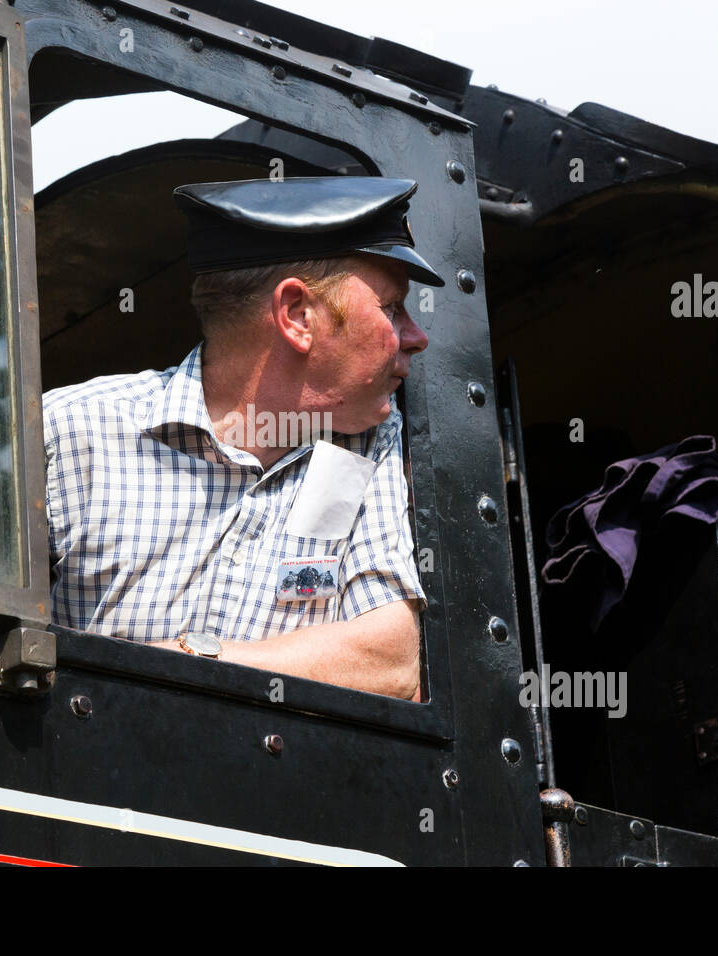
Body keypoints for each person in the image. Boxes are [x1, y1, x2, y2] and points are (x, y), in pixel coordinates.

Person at [42, 176, 442, 700]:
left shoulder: (368, 440)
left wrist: (186, 662)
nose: (418, 336)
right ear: (298, 316)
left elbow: (390, 665)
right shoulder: (71, 431)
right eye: (391, 308)